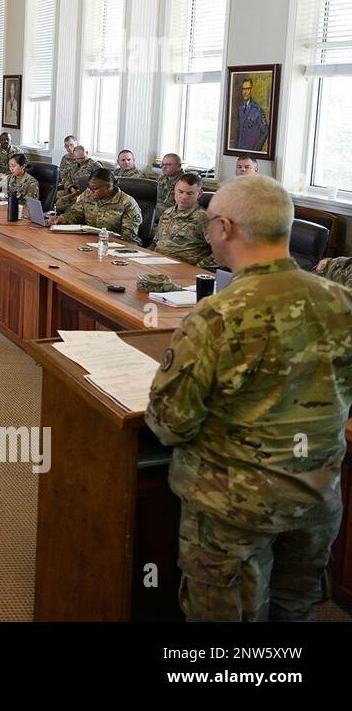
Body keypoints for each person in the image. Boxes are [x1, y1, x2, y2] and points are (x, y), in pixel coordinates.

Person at [146, 175, 352, 622]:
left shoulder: (216, 316)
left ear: (225, 228)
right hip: (317, 498)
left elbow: (169, 423)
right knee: (294, 612)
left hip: (232, 511)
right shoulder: (342, 303)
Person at [49, 168, 142, 241]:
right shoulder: (88, 194)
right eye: (89, 187)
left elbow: (128, 238)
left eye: (94, 188)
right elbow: (75, 214)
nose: (90, 191)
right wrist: (62, 219)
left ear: (108, 187)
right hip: (89, 241)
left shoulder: (127, 203)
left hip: (114, 246)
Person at [153, 173, 214, 268]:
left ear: (199, 193)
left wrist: (198, 269)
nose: (184, 197)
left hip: (184, 269)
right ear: (175, 190)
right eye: (180, 192)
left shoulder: (203, 218)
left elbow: (222, 252)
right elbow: (155, 242)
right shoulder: (167, 213)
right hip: (156, 263)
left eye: (189, 193)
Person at [56, 144, 100, 213]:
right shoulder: (74, 166)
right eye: (77, 158)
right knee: (56, 196)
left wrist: (81, 193)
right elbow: (67, 179)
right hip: (72, 190)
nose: (80, 161)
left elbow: (100, 184)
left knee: (64, 205)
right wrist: (71, 188)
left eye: (82, 158)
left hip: (85, 193)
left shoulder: (95, 166)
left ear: (87, 153)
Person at [235, 77, 270, 152]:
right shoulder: (240, 108)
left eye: (248, 89)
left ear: (251, 90)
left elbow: (265, 131)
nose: (245, 92)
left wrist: (256, 149)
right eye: (244, 89)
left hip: (251, 152)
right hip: (239, 151)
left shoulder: (257, 110)